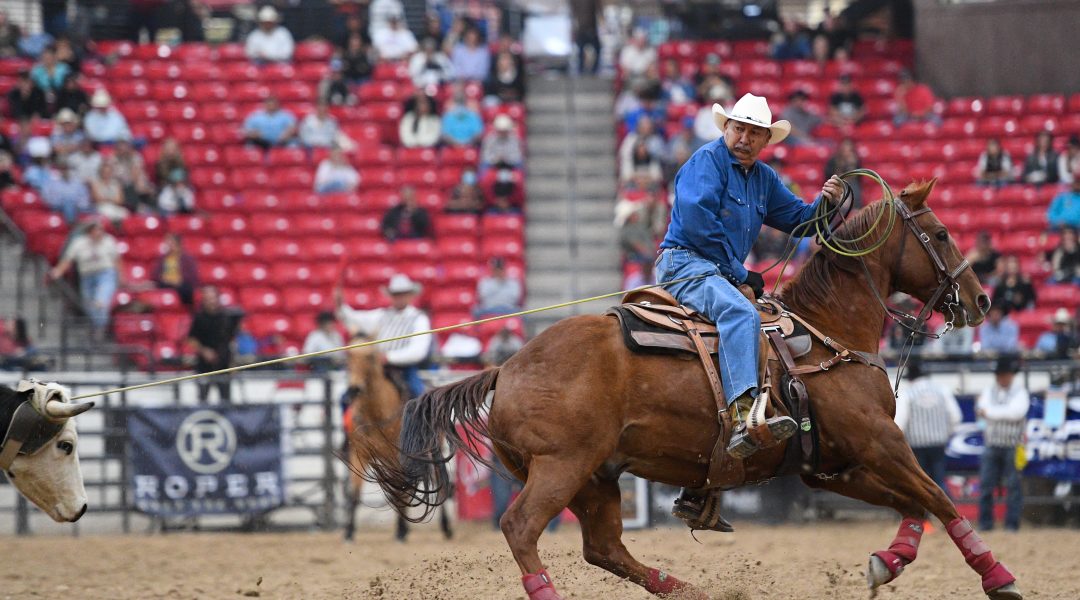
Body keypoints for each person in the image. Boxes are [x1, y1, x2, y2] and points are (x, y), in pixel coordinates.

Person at [655, 93, 843, 529]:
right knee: (742, 315)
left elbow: (800, 220)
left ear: (764, 140)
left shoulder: (763, 179)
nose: (744, 138)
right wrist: (740, 271)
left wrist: (826, 206)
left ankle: (702, 479)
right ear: (726, 129)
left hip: (713, 270)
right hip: (684, 264)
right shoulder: (707, 162)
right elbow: (697, 220)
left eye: (754, 133)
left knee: (765, 322)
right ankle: (743, 415)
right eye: (738, 129)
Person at [335, 274, 431, 399]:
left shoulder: (419, 318)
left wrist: (389, 357)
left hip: (404, 369)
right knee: (347, 397)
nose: (399, 298)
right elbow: (354, 318)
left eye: (402, 294)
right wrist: (341, 305)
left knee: (417, 396)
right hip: (378, 368)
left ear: (410, 295)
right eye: (396, 294)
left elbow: (418, 351)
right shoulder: (382, 315)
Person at [894, 359, 962, 499]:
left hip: (916, 446)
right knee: (939, 482)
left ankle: (922, 516)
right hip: (938, 444)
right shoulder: (941, 390)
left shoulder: (908, 394)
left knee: (919, 483)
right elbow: (956, 417)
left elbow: (900, 423)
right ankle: (949, 516)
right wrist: (945, 433)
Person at [976, 354, 1029, 532]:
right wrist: (999, 412)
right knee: (986, 486)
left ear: (1011, 375)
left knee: (1013, 487)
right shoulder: (990, 391)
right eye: (1000, 374)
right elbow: (1009, 412)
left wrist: (990, 412)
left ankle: (1012, 524)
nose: (1002, 378)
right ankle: (985, 523)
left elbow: (1016, 413)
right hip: (992, 443)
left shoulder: (1020, 392)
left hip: (1012, 445)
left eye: (1005, 374)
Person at [48, 220, 120, 340]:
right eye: (95, 230)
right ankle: (99, 325)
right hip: (87, 276)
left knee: (101, 301)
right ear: (89, 232)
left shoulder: (108, 241)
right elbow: (67, 260)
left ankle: (100, 328)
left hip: (105, 274)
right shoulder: (79, 243)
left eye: (100, 230)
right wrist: (58, 271)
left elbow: (117, 260)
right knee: (88, 304)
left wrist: (121, 277)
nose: (98, 233)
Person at [187, 286, 240, 404]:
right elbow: (191, 339)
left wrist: (233, 362)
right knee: (202, 399)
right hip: (204, 365)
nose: (210, 301)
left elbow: (231, 340)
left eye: (212, 298)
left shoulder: (227, 317)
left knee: (226, 400)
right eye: (207, 299)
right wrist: (204, 351)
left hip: (224, 364)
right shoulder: (199, 317)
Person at [152, 233, 198, 307]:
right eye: (167, 243)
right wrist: (164, 279)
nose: (168, 245)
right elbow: (155, 275)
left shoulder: (187, 259)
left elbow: (193, 277)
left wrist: (179, 280)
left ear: (177, 244)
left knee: (186, 289)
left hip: (181, 285)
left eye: (170, 242)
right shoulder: (162, 258)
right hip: (165, 283)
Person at [41, 159, 92, 223]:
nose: (65, 171)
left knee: (93, 210)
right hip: (57, 207)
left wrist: (76, 204)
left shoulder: (78, 182)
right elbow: (47, 198)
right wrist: (63, 201)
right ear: (59, 170)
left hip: (77, 207)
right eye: (63, 169)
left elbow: (85, 199)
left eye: (67, 169)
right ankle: (72, 225)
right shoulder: (51, 182)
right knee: (68, 204)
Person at [825, 138, 862, 206]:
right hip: (837, 184)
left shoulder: (854, 160)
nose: (847, 152)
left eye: (849, 150)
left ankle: (855, 208)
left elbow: (857, 176)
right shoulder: (834, 160)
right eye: (845, 149)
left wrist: (852, 164)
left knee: (853, 186)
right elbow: (829, 176)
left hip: (851, 184)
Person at [572, 0, 601, 75]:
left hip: (584, 28)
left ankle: (583, 69)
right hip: (587, 28)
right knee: (593, 49)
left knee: (582, 50)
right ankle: (591, 69)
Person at [1047, 165, 1080, 230]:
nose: (1077, 184)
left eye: (1079, 182)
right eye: (1076, 182)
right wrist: (1057, 221)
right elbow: (1051, 213)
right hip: (1061, 226)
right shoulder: (1062, 196)